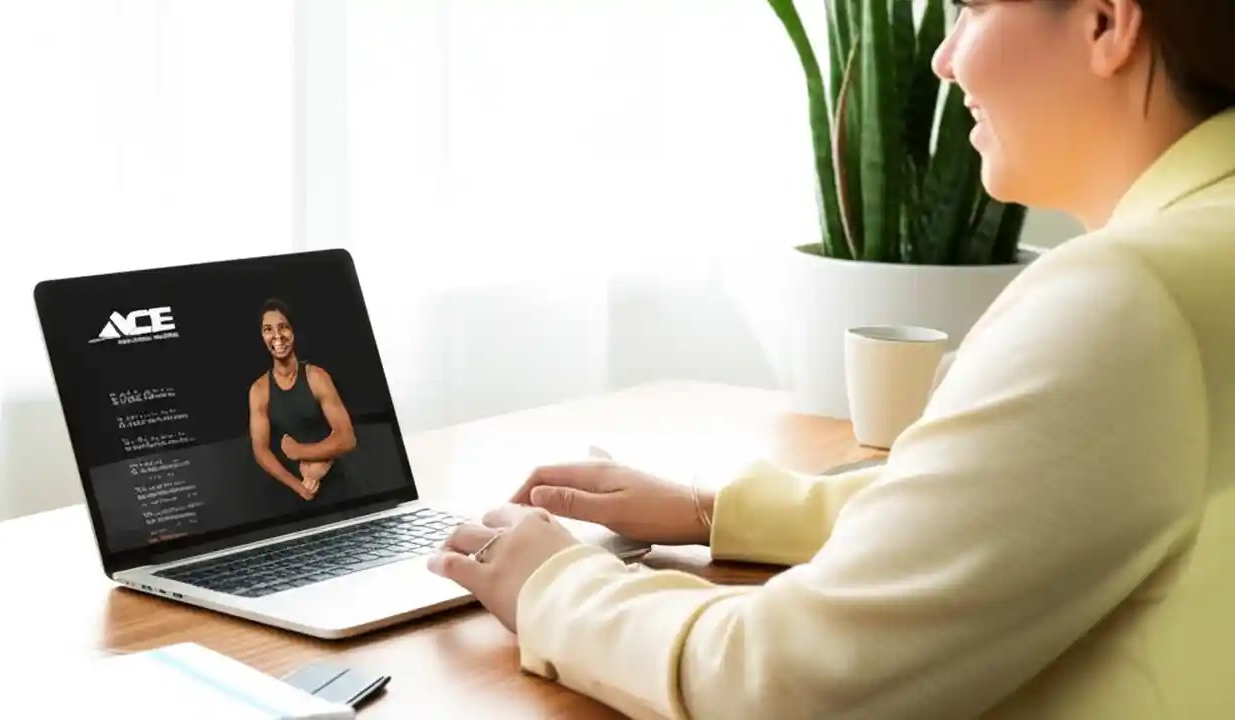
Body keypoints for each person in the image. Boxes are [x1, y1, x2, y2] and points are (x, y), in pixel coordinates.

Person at [428, 1, 1235, 718]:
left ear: (1105, 23)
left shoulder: (1126, 297)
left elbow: (789, 683)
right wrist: (718, 511)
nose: (944, 57)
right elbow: (1027, 503)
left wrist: (556, 586)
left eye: (974, 8)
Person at [248, 298, 357, 503]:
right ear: (262, 336)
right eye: (268, 329)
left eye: (283, 327)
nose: (277, 336)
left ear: (293, 331)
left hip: (334, 490)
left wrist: (302, 452)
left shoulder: (317, 377)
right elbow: (260, 450)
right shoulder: (259, 390)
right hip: (288, 493)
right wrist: (298, 486)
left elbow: (347, 438)